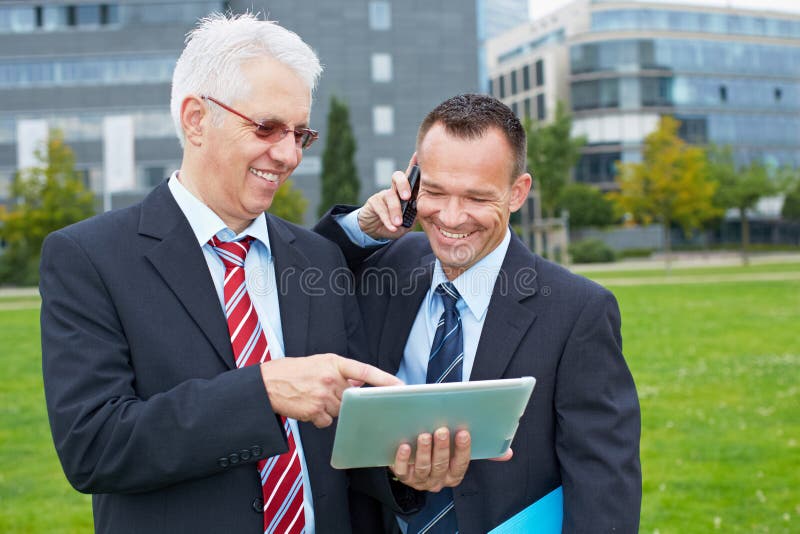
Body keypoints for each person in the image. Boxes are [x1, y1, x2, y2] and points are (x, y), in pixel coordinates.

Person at [39, 13, 407, 534]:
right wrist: (263, 391)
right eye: (266, 127)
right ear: (195, 118)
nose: (288, 155)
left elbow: (350, 444)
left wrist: (409, 470)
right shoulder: (89, 258)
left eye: (300, 133)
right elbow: (94, 446)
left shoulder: (319, 259)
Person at [315, 93, 642, 533]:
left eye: (476, 197)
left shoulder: (578, 311)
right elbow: (302, 273)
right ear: (413, 177)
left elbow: (604, 487)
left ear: (517, 192)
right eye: (434, 191)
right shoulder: (385, 264)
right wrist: (364, 226)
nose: (451, 218)